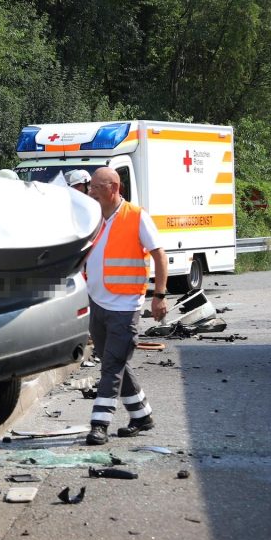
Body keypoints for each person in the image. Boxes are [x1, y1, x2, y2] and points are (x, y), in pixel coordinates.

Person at [83, 167, 168, 445]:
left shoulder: (137, 216)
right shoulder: (94, 218)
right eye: (90, 186)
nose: (90, 191)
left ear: (114, 188)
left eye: (96, 187)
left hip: (125, 307)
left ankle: (100, 424)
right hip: (98, 304)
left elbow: (159, 256)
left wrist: (160, 295)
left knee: (110, 367)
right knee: (116, 362)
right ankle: (142, 415)